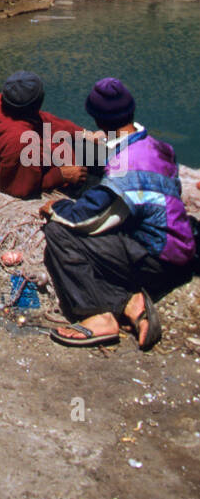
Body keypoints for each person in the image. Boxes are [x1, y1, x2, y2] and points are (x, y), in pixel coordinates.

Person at [42, 78, 196, 349]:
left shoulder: (126, 164)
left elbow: (87, 219)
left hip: (156, 260)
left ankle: (100, 313)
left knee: (58, 232)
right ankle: (130, 304)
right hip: (180, 248)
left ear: (100, 121)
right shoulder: (158, 147)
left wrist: (56, 207)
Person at [0, 70, 93, 199]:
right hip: (51, 174)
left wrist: (83, 133)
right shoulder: (21, 141)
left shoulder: (4, 103)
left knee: (100, 152)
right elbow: (20, 188)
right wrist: (61, 175)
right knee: (104, 187)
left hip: (49, 156)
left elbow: (43, 120)